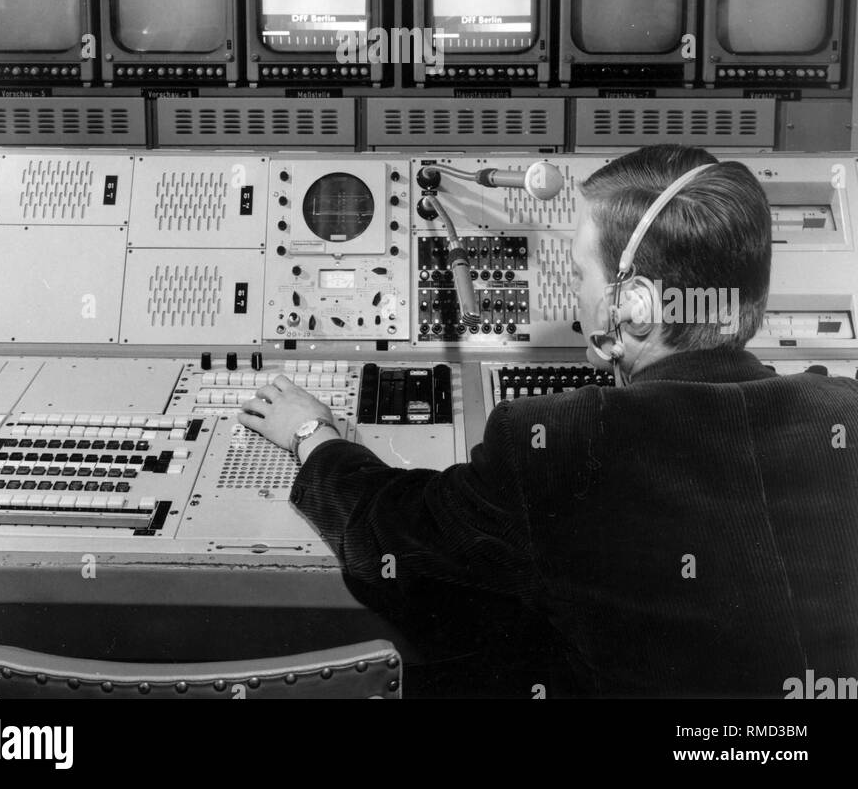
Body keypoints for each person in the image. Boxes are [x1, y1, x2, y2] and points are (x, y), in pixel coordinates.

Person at [239, 145, 858, 699]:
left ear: (633, 305)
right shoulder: (845, 413)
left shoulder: (565, 445)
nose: (580, 294)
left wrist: (312, 437)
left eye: (582, 271)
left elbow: (391, 546)